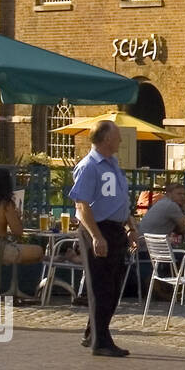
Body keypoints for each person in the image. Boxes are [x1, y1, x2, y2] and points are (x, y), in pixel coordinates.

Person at [69, 121, 138, 356]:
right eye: (117, 136)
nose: (120, 140)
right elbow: (81, 204)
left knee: (114, 284)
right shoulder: (89, 166)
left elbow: (120, 201)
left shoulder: (114, 164)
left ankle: (93, 333)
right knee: (102, 286)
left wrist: (130, 227)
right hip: (98, 228)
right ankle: (101, 342)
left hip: (116, 228)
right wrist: (96, 236)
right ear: (106, 139)